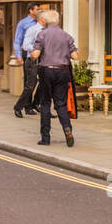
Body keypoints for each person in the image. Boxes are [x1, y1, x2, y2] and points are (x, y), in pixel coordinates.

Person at [30, 9, 78, 147]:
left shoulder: (42, 35)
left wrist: (35, 52)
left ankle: (45, 138)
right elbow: (75, 56)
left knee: (45, 103)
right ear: (58, 21)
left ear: (45, 21)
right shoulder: (66, 36)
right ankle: (67, 129)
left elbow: (35, 55)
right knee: (60, 103)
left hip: (46, 71)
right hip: (62, 71)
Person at [14, 12, 46, 118]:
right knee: (30, 86)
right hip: (32, 60)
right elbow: (26, 45)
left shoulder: (47, 31)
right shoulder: (32, 30)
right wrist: (38, 50)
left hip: (44, 60)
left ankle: (36, 104)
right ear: (42, 18)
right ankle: (18, 107)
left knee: (45, 84)